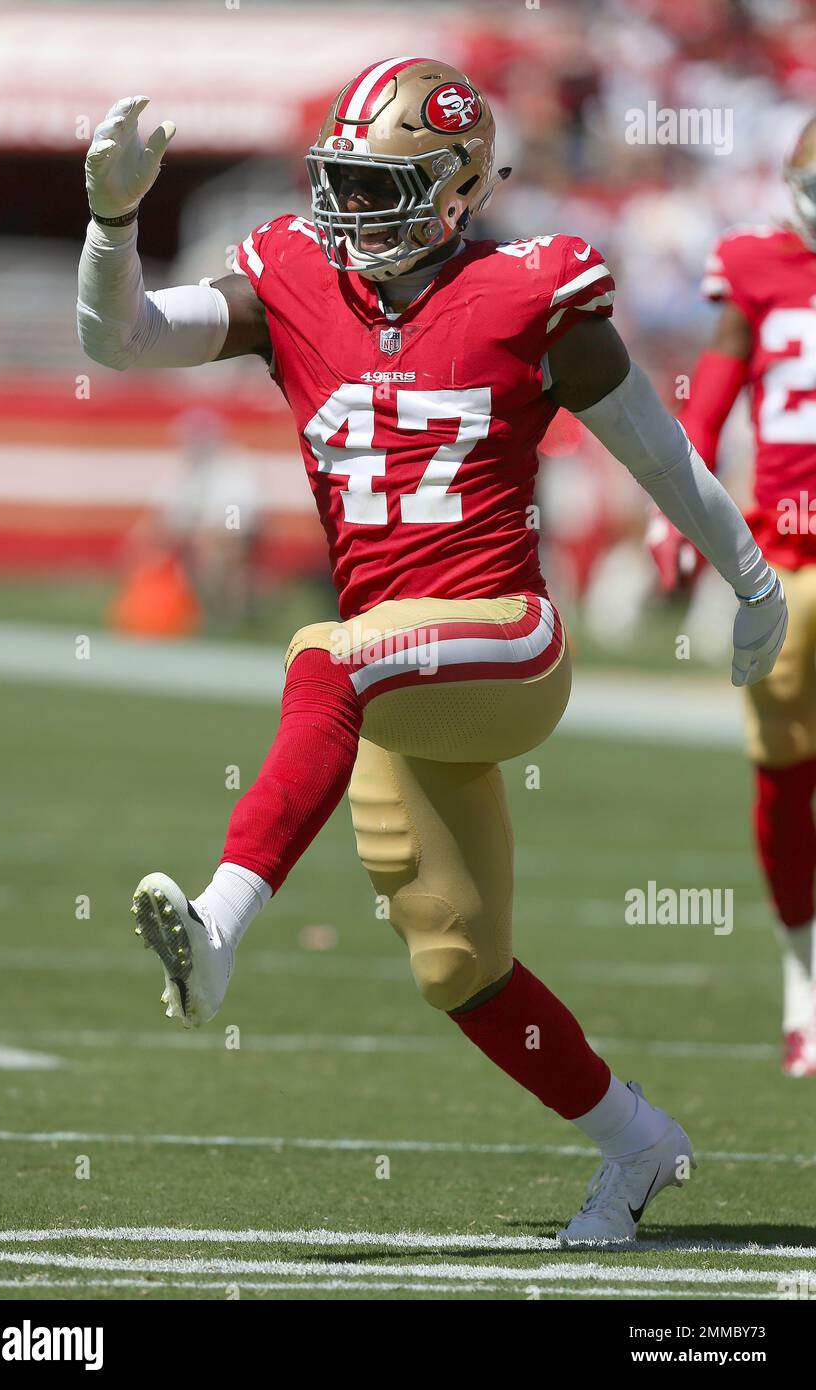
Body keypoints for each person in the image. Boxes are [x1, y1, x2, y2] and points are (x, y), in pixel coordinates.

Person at [77, 60, 787, 1242]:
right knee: (459, 963)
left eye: (379, 184)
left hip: (504, 643)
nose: (348, 209)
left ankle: (216, 927)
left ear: (457, 192)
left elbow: (658, 453)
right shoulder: (296, 281)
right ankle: (639, 1142)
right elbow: (124, 339)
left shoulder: (529, 292)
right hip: (395, 677)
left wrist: (753, 579)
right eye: (339, 181)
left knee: (327, 654)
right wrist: (111, 220)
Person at [650, 116, 816, 1077]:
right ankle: (803, 976)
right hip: (787, 558)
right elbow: (706, 404)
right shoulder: (755, 266)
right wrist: (677, 510)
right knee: (785, 769)